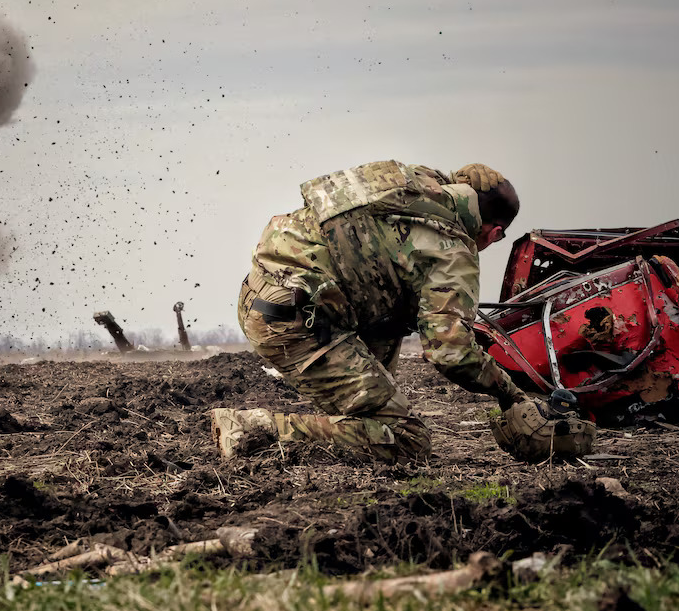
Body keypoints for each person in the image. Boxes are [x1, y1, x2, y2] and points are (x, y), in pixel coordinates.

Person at [212, 160, 530, 462]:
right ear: (495, 232)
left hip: (260, 292)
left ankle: (357, 421)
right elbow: (452, 354)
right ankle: (253, 430)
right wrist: (511, 394)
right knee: (406, 440)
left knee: (389, 334)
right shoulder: (451, 248)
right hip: (298, 323)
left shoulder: (411, 188)